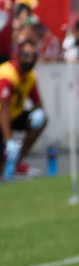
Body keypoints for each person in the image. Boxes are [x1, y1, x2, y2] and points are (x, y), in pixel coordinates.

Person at [0, 40, 47, 180]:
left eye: (33, 56)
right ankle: (7, 159)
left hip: (14, 115)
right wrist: (9, 141)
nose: (30, 59)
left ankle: (16, 161)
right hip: (2, 116)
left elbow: (37, 102)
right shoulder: (7, 74)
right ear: (19, 56)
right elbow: (3, 110)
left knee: (42, 120)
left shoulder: (31, 76)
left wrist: (39, 112)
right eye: (27, 54)